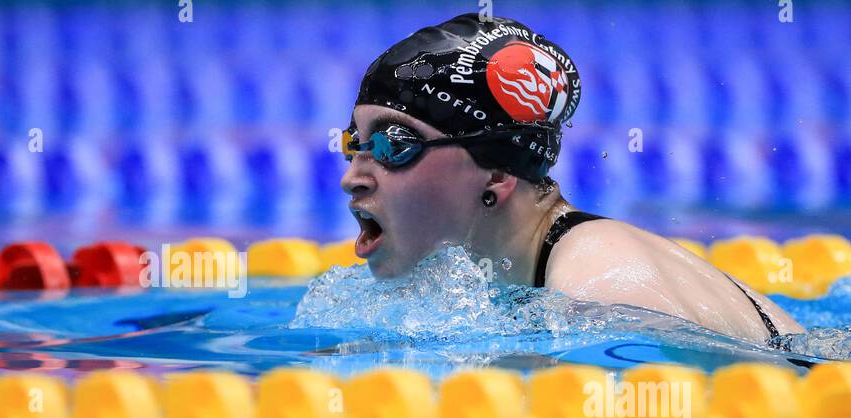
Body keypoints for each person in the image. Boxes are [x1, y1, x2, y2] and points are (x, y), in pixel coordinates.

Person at [341, 13, 803, 346]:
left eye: (393, 146)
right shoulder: (537, 274)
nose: (352, 179)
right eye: (354, 143)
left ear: (499, 174)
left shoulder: (595, 285)